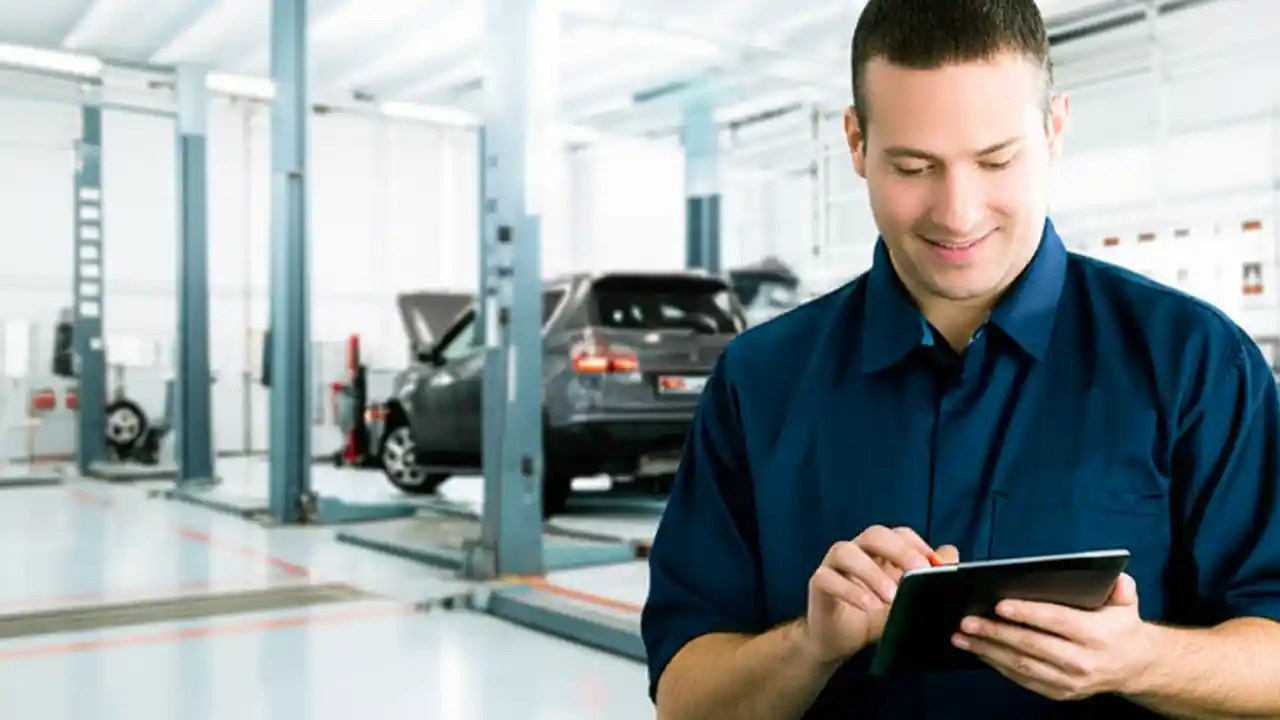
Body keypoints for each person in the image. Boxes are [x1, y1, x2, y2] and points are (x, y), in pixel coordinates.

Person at [640, 0, 1280, 718]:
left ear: (1054, 129)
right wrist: (810, 645)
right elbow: (685, 699)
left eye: (996, 160)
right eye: (914, 166)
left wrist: (1140, 659)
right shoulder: (759, 383)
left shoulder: (1194, 363)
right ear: (855, 142)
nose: (957, 212)